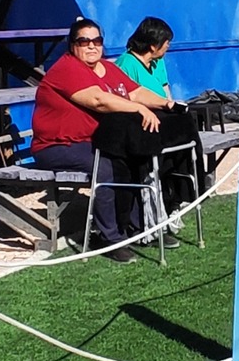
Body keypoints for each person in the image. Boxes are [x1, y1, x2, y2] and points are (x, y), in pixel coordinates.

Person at [30, 17, 167, 261]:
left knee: (135, 159)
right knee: (106, 168)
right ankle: (110, 239)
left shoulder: (108, 67)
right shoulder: (67, 68)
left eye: (97, 40)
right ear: (73, 45)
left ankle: (138, 228)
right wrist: (137, 109)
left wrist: (167, 103)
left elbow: (136, 92)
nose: (92, 45)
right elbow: (98, 100)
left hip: (94, 141)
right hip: (58, 145)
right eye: (85, 41)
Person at [115, 16, 177, 103]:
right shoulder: (126, 64)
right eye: (166, 43)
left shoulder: (158, 61)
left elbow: (166, 92)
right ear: (153, 46)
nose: (168, 46)